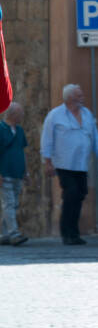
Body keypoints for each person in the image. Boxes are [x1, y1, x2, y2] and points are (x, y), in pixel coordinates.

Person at [40, 84, 98, 245]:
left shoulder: (87, 114)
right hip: (63, 163)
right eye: (79, 95)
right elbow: (47, 139)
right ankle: (66, 233)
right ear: (69, 98)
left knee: (80, 195)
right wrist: (47, 162)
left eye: (81, 94)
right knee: (71, 193)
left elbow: (95, 137)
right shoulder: (55, 115)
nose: (82, 97)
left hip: (82, 164)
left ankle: (73, 233)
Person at [0, 102, 29, 245]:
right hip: (4, 173)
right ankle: (14, 234)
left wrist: (26, 171)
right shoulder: (1, 129)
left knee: (14, 203)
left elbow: (23, 152)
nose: (23, 116)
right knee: (9, 203)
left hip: (17, 172)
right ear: (12, 114)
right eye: (20, 113)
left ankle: (4, 234)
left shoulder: (20, 131)